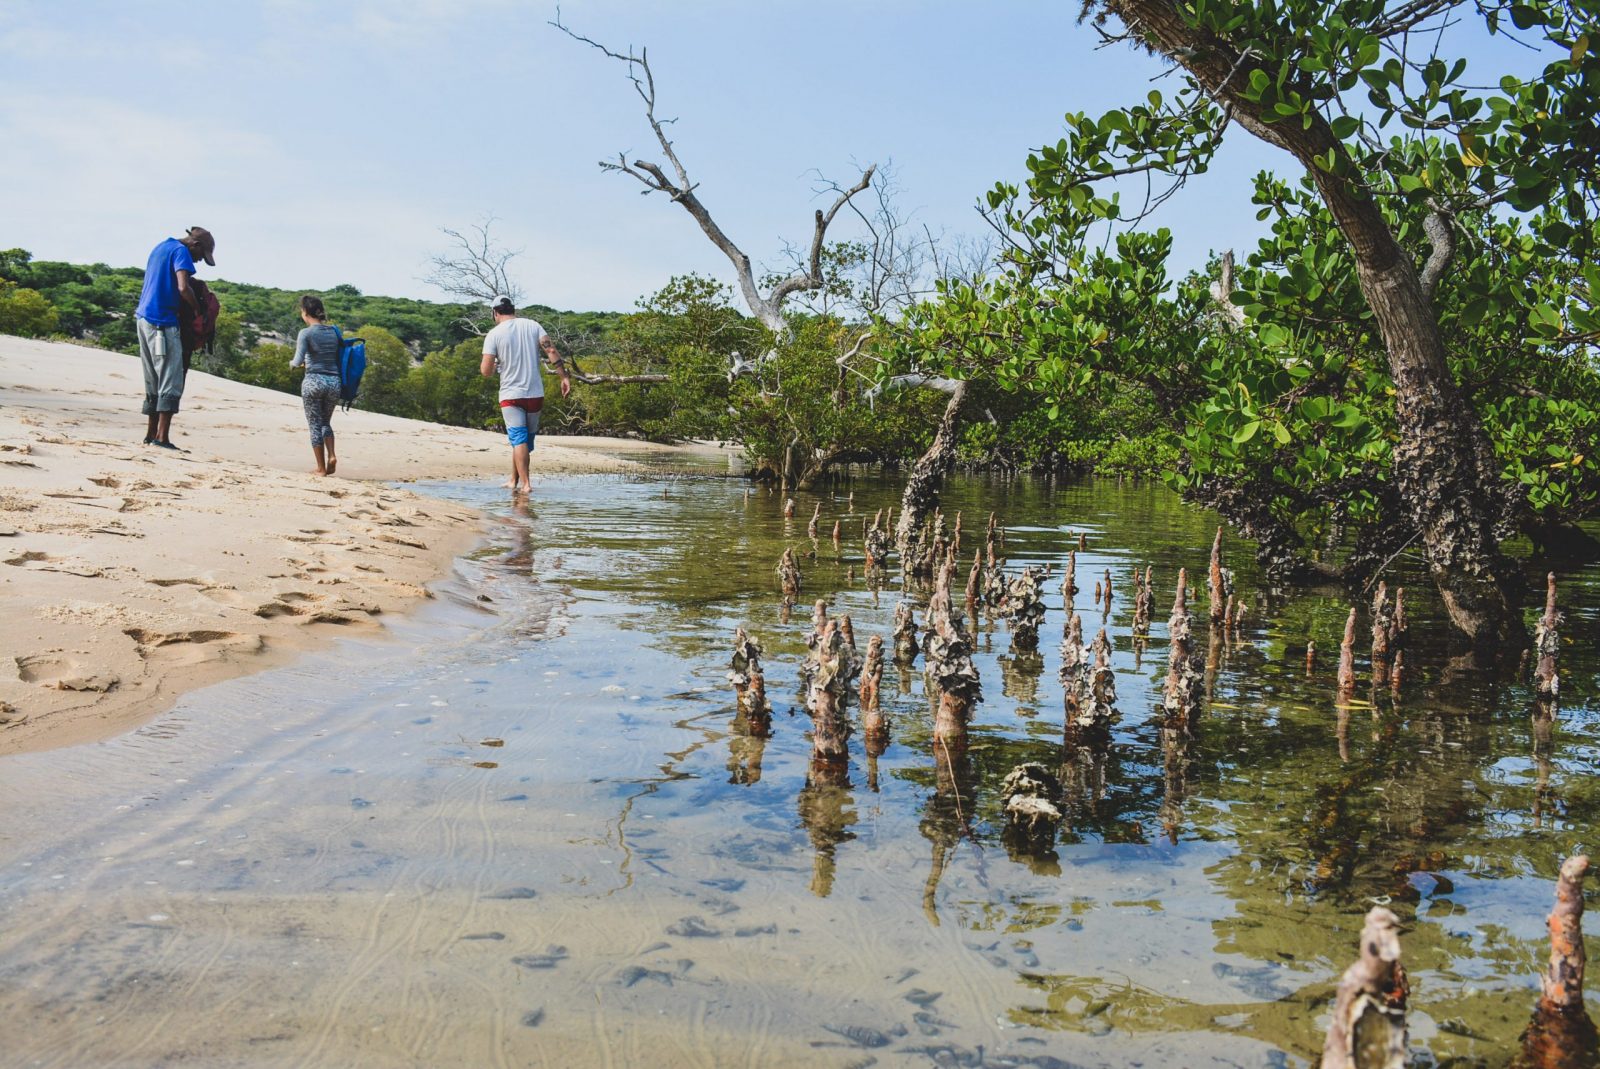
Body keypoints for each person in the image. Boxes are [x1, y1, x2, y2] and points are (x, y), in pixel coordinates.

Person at [479, 295, 572, 493]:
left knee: (518, 439)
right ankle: (513, 479)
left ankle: (526, 485)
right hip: (535, 393)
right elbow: (551, 350)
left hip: (511, 394)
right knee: (524, 440)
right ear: (513, 309)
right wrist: (563, 377)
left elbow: (486, 372)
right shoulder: (533, 325)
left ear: (495, 312)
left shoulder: (494, 334)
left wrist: (496, 365)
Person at [134, 227, 215, 448]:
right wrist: (198, 309)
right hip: (162, 321)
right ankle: (162, 438)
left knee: (153, 379)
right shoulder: (181, 251)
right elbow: (183, 287)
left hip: (143, 318)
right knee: (171, 379)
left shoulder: (162, 246)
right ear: (195, 245)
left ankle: (150, 434)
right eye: (201, 256)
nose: (198, 261)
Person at [289, 294, 343, 476]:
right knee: (326, 422)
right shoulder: (334, 331)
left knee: (315, 425)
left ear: (305, 313)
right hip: (334, 382)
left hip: (313, 382)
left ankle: (320, 468)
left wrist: (292, 364)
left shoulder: (305, 333)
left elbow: (297, 361)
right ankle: (332, 455)